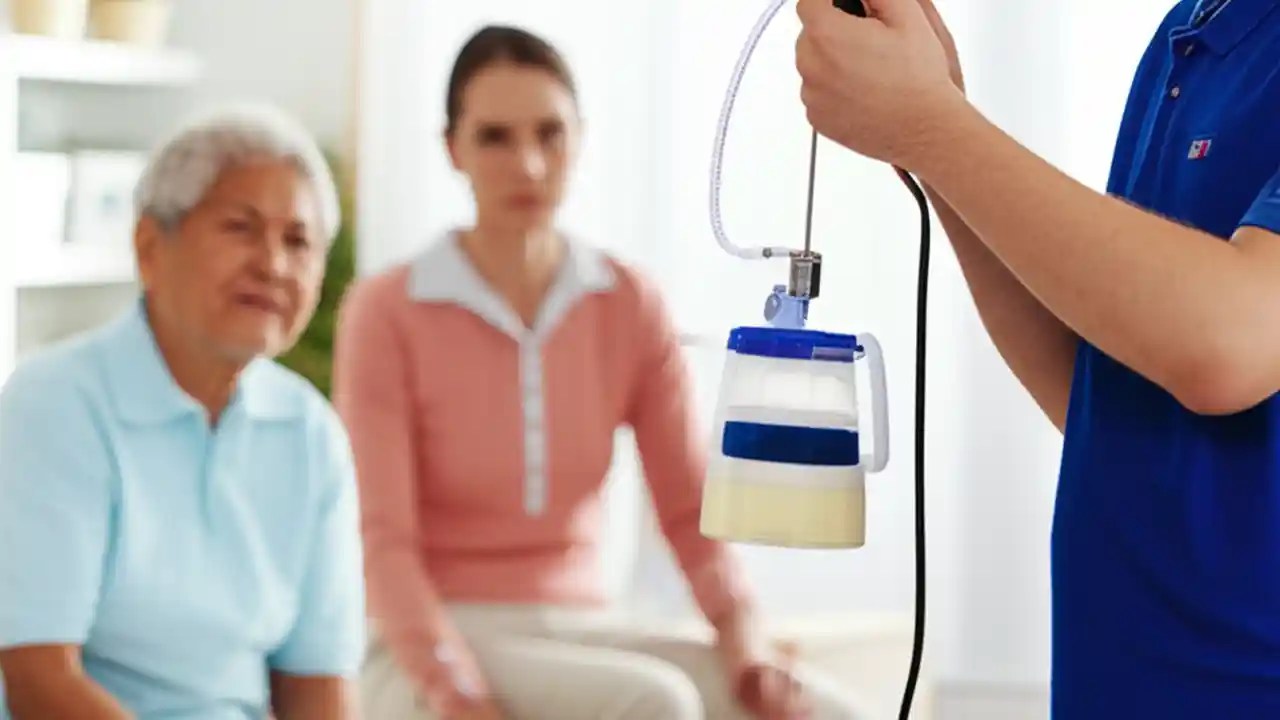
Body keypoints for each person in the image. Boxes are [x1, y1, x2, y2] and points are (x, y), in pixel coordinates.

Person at [335, 25, 864, 720]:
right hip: (429, 636)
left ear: (580, 137)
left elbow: (691, 511)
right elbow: (383, 543)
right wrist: (452, 687)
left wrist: (748, 647)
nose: (526, 164)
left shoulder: (625, 303)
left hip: (582, 627)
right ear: (452, 148)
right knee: (655, 702)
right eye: (495, 137)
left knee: (833, 713)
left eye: (549, 134)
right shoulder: (387, 311)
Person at [796, 0, 1280, 716]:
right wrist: (932, 133)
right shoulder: (1198, 32)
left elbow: (1232, 341)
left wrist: (934, 127)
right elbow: (1102, 403)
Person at [0, 105, 366, 719]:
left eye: (298, 240)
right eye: (240, 228)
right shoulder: (54, 405)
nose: (273, 264)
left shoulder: (310, 434)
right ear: (149, 247)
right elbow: (38, 680)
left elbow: (317, 687)